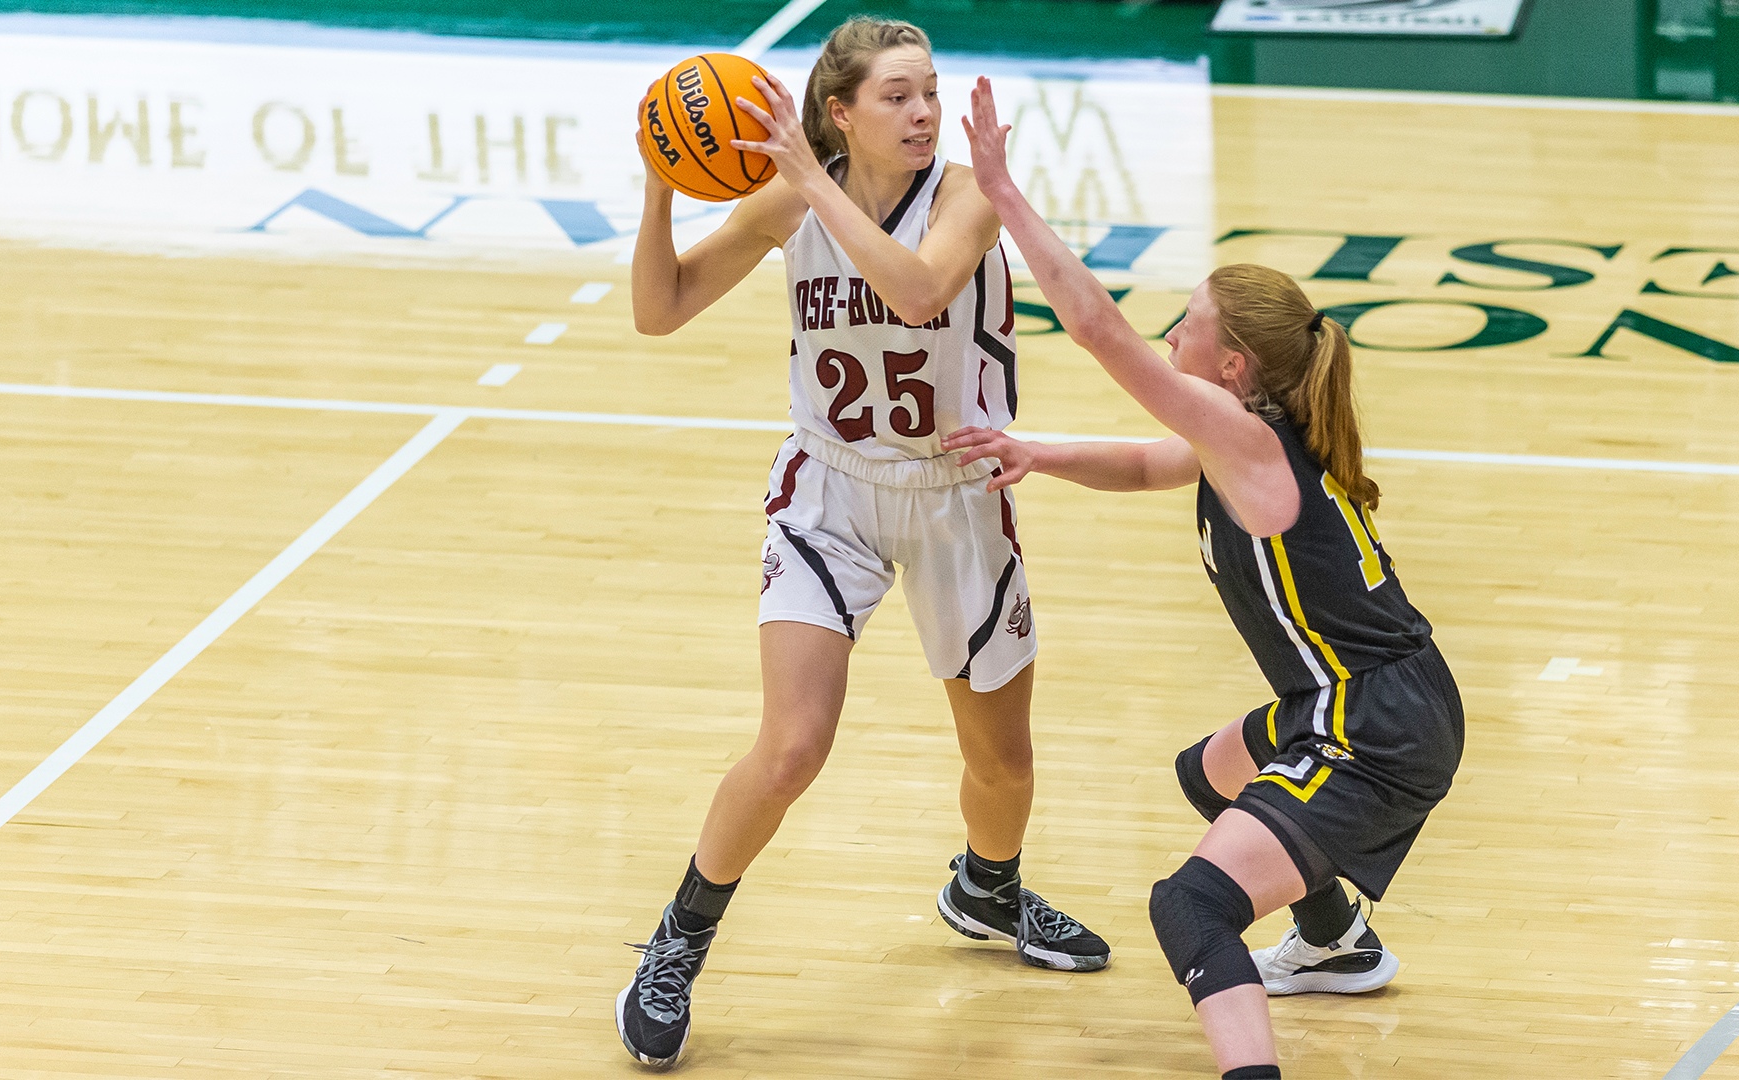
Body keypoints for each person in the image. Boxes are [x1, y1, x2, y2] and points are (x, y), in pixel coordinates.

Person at [942, 78, 1464, 1079]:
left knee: (1189, 905)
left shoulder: (1247, 442)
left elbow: (1098, 332)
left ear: (1231, 369)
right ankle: (1336, 943)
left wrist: (1004, 197)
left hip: (1374, 728)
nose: (1170, 335)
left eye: (1186, 325)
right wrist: (1036, 453)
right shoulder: (1248, 439)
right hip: (1372, 697)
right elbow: (1145, 463)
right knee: (1211, 773)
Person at [616, 21, 1110, 1069]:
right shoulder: (798, 197)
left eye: (926, 93)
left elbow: (921, 290)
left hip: (956, 493)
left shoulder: (970, 194)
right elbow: (658, 312)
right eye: (896, 97)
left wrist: (810, 181)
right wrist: (663, 180)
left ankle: (989, 887)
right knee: (792, 743)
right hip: (828, 493)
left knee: (1003, 763)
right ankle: (675, 945)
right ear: (840, 113)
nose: (924, 112)